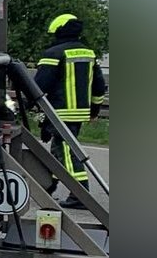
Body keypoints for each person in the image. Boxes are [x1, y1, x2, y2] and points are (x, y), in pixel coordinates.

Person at [34, 12, 106, 209]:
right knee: (59, 151)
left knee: (67, 153)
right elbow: (99, 86)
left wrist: (28, 105)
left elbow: (39, 85)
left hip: (59, 112)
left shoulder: (54, 54)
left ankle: (79, 195)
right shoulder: (89, 54)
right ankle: (49, 186)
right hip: (79, 113)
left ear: (59, 31)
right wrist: (94, 109)